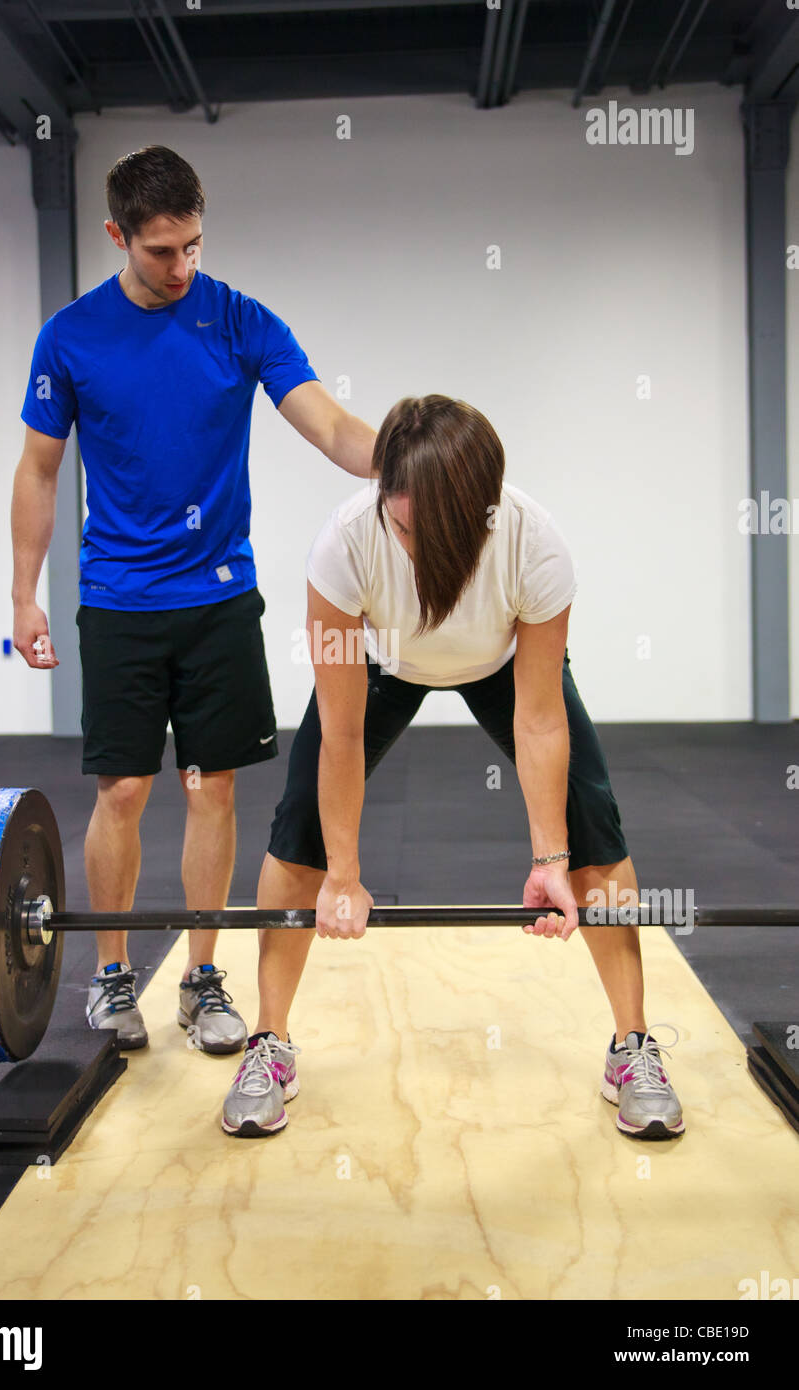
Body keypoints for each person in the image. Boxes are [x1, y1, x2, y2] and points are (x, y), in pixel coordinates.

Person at [223, 394, 684, 1141]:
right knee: (299, 828)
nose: (407, 545)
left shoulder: (535, 545)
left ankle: (632, 1045)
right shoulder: (343, 549)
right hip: (384, 661)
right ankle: (269, 1041)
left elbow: (538, 718)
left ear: (482, 510)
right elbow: (341, 735)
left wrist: (550, 858)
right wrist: (341, 873)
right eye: (398, 525)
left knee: (592, 818)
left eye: (424, 530)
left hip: (500, 662)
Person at [11, 145, 376, 1055]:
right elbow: (40, 468)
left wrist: (419, 466)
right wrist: (24, 596)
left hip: (219, 598)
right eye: (162, 252)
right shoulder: (70, 336)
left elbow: (326, 423)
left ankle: (203, 979)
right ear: (117, 237)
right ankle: (111, 974)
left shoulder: (241, 320)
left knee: (212, 788)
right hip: (121, 598)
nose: (183, 268)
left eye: (195, 248)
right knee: (125, 788)